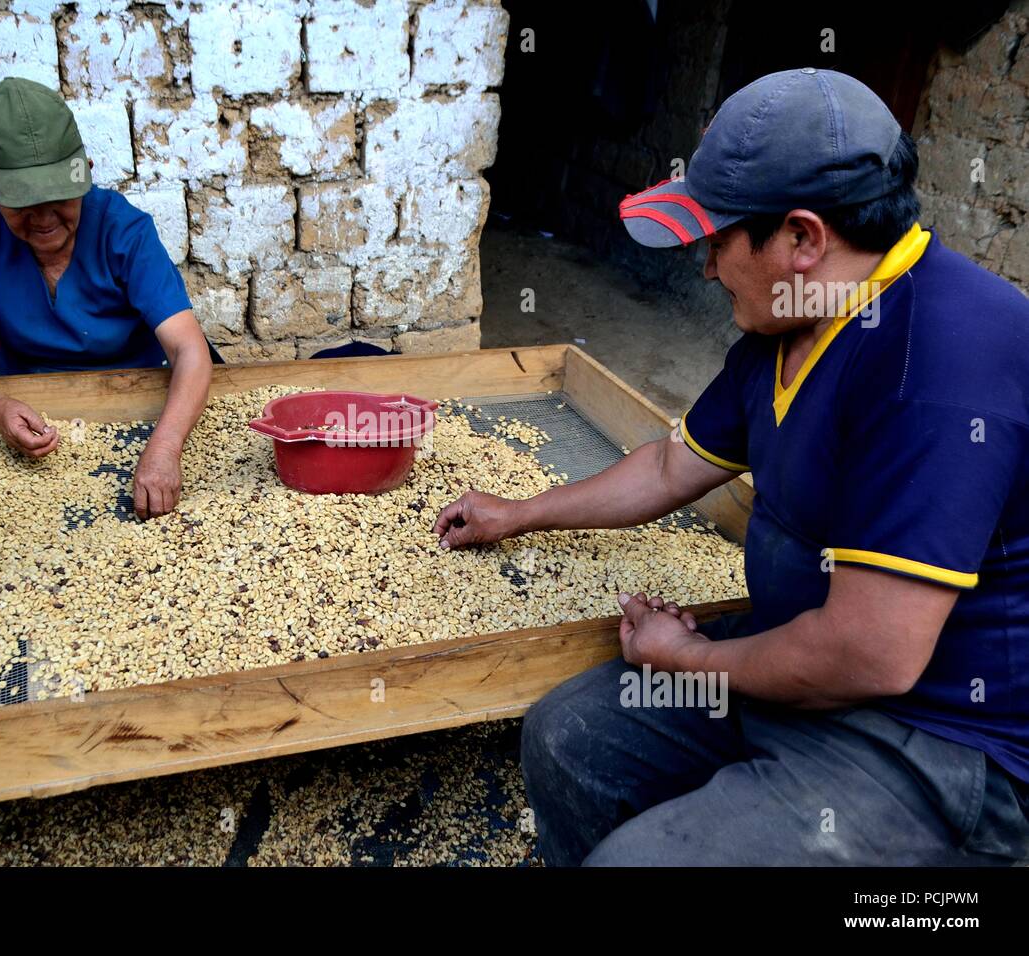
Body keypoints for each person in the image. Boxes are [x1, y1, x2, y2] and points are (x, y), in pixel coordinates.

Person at [433, 68, 1029, 865]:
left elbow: (872, 655)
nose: (707, 268)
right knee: (569, 735)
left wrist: (690, 659)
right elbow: (669, 468)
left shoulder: (938, 365)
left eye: (718, 240)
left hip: (935, 741)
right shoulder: (796, 321)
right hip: (798, 663)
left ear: (803, 239)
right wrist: (520, 510)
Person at [0, 77, 211, 519]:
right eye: (21, 205)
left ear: (84, 172)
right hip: (29, 402)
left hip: (134, 399)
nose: (43, 219)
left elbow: (189, 349)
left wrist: (165, 446)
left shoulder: (124, 229)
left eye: (60, 197)